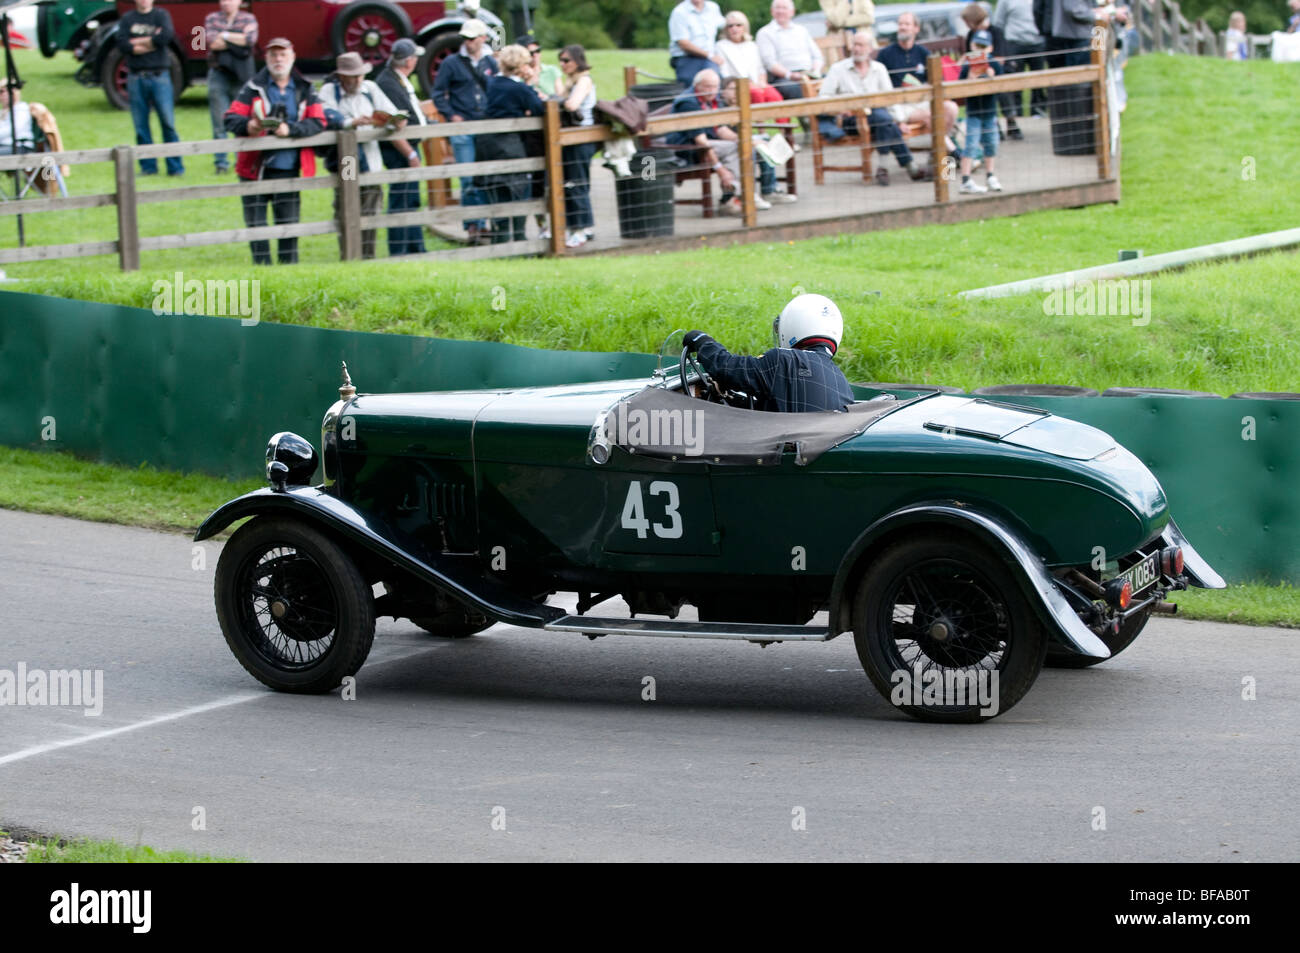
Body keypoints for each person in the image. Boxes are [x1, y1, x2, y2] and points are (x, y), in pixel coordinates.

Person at [225, 37, 326, 265]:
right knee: (256, 227)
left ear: (292, 57)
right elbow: (230, 118)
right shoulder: (252, 88)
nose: (278, 60)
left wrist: (290, 129)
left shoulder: (305, 87)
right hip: (253, 169)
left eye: (282, 55)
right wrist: (248, 126)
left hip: (288, 168)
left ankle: (288, 273)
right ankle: (262, 272)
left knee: (289, 226)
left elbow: (319, 122)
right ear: (266, 59)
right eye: (273, 55)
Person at [682, 294, 854, 413]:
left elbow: (725, 367)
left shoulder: (784, 361)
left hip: (782, 457)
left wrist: (702, 341)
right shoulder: (841, 381)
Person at [319, 51, 413, 259]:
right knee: (347, 208)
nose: (357, 79)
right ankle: (350, 257)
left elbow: (389, 112)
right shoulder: (329, 91)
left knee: (370, 210)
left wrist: (394, 121)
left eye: (359, 74)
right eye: (352, 75)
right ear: (341, 76)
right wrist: (349, 123)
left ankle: (367, 257)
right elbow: (324, 115)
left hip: (371, 160)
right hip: (347, 160)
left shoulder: (370, 88)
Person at [818, 31, 929, 182]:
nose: (856, 49)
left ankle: (884, 168)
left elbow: (890, 99)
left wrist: (899, 121)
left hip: (879, 117)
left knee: (884, 121)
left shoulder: (879, 69)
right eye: (854, 44)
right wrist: (840, 108)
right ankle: (910, 167)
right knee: (886, 121)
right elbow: (823, 97)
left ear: (870, 48)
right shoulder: (838, 69)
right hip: (851, 119)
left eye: (861, 45)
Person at [432, 19, 499, 245]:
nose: (468, 43)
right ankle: (473, 226)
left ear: (483, 38)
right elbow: (438, 93)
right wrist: (451, 114)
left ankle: (485, 223)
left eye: (472, 38)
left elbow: (497, 90)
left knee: (487, 176)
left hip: (485, 126)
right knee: (468, 178)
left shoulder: (490, 62)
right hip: (463, 125)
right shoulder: (452, 63)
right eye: (465, 39)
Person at [478, 44, 546, 244]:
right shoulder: (519, 88)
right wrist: (531, 83)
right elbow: (537, 108)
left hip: (487, 144)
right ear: (520, 66)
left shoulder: (492, 83)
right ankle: (518, 238)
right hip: (509, 144)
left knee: (496, 190)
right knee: (518, 189)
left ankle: (500, 238)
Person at [667, 69, 754, 216]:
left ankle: (735, 196)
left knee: (744, 147)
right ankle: (736, 196)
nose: (712, 91)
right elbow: (701, 141)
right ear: (697, 86)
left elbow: (720, 129)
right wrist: (720, 170)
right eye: (707, 86)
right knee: (735, 150)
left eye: (715, 86)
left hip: (706, 143)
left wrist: (746, 141)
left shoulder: (712, 101)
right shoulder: (688, 103)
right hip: (685, 149)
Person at [375, 37, 430, 256]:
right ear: (409, 61)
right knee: (401, 200)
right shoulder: (388, 83)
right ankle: (399, 251)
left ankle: (416, 249)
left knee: (411, 199)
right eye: (415, 57)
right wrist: (409, 154)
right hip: (401, 152)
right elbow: (391, 125)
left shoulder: (396, 79)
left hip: (409, 148)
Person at [876, 11, 960, 150]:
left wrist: (920, 87)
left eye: (907, 24)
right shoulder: (885, 54)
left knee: (951, 108)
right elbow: (878, 84)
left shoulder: (923, 53)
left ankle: (939, 152)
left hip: (922, 100)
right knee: (933, 116)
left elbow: (937, 81)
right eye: (900, 24)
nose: (902, 27)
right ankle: (951, 152)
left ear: (916, 28)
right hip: (900, 105)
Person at [117, 0, 182, 176]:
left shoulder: (161, 15)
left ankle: (175, 167)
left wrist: (137, 43)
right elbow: (123, 44)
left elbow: (165, 37)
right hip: (136, 77)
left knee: (168, 123)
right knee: (141, 126)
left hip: (159, 76)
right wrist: (151, 41)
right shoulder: (127, 18)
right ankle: (148, 167)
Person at [203, 0, 258, 174]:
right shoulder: (211, 18)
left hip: (241, 76)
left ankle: (242, 162)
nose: (227, 2)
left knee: (242, 120)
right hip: (218, 74)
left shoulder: (249, 18)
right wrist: (237, 38)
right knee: (219, 121)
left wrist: (224, 36)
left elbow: (250, 40)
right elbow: (211, 42)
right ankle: (221, 163)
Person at [558, 44, 598, 247]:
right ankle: (586, 226)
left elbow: (572, 104)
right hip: (572, 139)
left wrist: (560, 99)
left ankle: (580, 229)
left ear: (577, 61)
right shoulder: (571, 80)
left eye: (567, 60)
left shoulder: (583, 81)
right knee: (575, 182)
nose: (562, 64)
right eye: (561, 60)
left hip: (580, 138)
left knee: (576, 184)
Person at [961, 2, 1019, 140]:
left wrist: (986, 65)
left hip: (999, 70)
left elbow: (1000, 58)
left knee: (1002, 89)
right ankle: (993, 126)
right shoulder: (971, 34)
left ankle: (1011, 122)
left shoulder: (995, 32)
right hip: (978, 71)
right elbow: (971, 56)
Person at [957, 30, 1003, 193]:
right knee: (970, 144)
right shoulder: (967, 66)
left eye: (983, 47)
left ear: (990, 48)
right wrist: (972, 77)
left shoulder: (993, 64)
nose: (980, 50)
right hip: (973, 112)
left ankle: (990, 175)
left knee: (991, 143)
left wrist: (991, 76)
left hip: (990, 112)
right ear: (972, 46)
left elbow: (1002, 84)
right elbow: (960, 87)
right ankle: (965, 178)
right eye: (977, 46)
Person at [757, 0, 824, 99]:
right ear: (772, 11)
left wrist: (816, 71)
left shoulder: (801, 30)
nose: (781, 11)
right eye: (778, 8)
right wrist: (790, 75)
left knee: (831, 81)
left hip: (809, 73)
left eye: (784, 8)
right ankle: (813, 114)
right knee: (796, 89)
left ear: (792, 12)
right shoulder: (765, 33)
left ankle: (835, 113)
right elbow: (769, 62)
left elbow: (817, 56)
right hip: (784, 78)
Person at [993, 0, 1048, 120]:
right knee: (1015, 81)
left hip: (1038, 43)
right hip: (1014, 44)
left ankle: (1038, 111)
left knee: (1039, 80)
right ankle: (1017, 115)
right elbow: (998, 23)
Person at [668, 0, 727, 85]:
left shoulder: (713, 7)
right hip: (687, 58)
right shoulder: (679, 12)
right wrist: (710, 55)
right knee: (693, 87)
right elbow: (683, 44)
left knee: (715, 83)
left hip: (709, 58)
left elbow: (725, 26)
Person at [0, 76, 33, 156]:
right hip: (5, 146)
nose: (1, 95)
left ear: (13, 92)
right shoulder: (3, 111)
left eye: (3, 91)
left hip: (20, 147)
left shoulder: (21, 109)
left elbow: (14, 129)